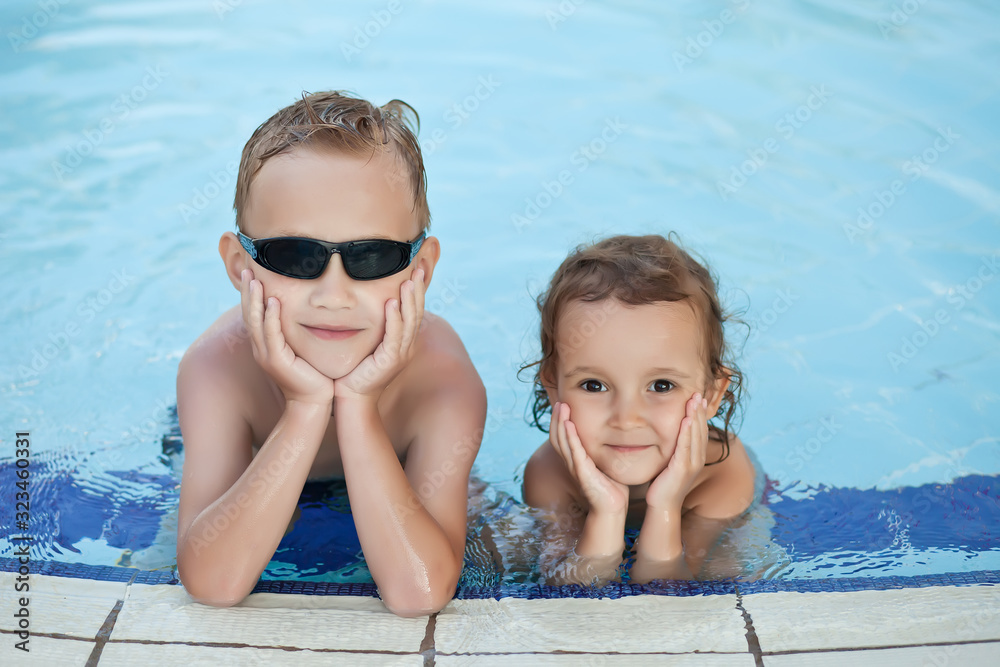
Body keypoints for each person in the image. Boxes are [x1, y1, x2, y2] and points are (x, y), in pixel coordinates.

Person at [175, 91, 486, 616]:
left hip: (396, 470)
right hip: (257, 460)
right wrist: (304, 409)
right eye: (297, 256)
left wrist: (360, 404)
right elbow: (211, 582)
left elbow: (423, 593)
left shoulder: (443, 382)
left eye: (372, 257)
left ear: (420, 271)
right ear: (238, 266)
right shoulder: (216, 371)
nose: (333, 294)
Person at [521, 234, 757, 584]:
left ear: (711, 394)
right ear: (553, 388)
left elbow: (669, 602)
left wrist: (666, 507)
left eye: (661, 386)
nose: (627, 418)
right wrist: (606, 512)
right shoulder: (550, 474)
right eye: (594, 385)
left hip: (715, 502)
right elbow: (569, 600)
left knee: (729, 575)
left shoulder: (723, 473)